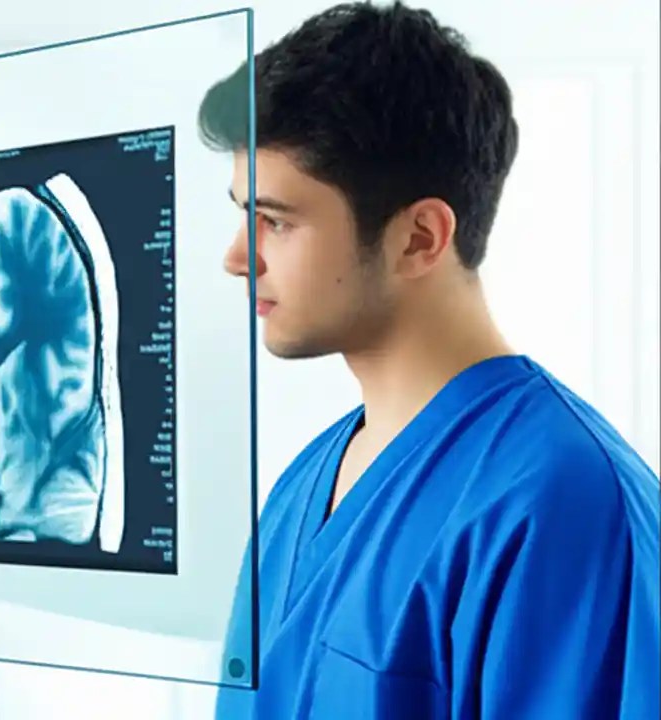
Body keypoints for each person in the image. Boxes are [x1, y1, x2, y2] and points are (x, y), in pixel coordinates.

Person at [197, 3, 660, 719]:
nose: (235, 257)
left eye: (276, 220)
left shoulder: (562, 504)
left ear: (419, 238)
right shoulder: (304, 487)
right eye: (242, 214)